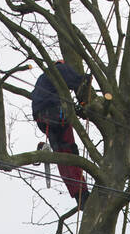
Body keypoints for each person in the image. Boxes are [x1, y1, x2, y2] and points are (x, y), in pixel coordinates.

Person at [31, 60, 92, 208]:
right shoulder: (59, 69)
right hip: (55, 115)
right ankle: (82, 193)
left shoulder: (43, 79)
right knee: (70, 152)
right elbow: (78, 81)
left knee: (61, 156)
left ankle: (78, 196)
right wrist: (85, 79)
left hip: (43, 119)